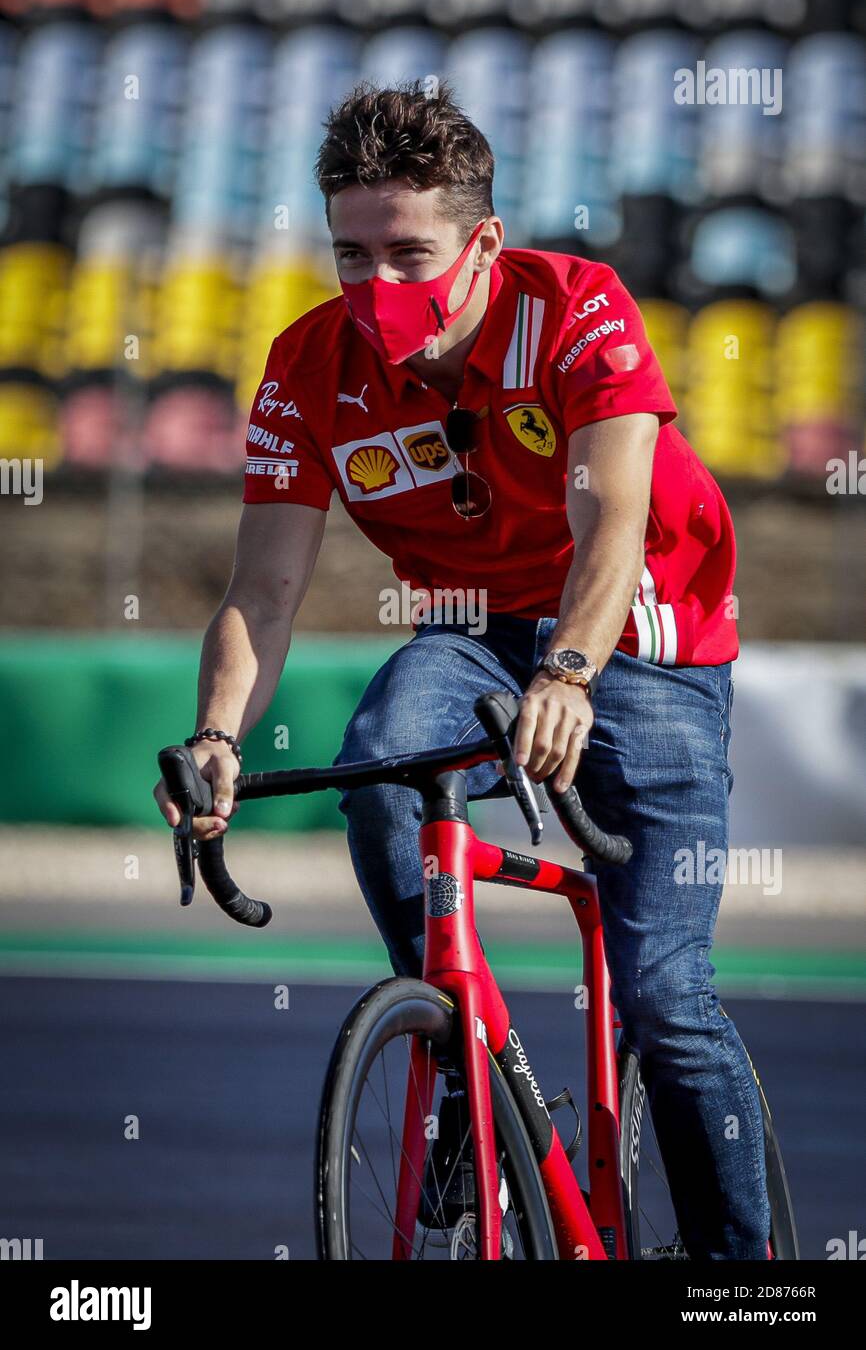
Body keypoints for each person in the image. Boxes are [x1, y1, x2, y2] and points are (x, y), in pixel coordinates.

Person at [154, 81, 769, 1260]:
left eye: (407, 255)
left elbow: (613, 530)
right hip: (478, 634)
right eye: (349, 254)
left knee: (662, 1002)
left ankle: (747, 1280)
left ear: (482, 243)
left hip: (644, 638)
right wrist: (217, 737)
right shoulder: (304, 363)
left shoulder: (578, 306)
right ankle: (453, 1055)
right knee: (379, 752)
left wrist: (573, 674)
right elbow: (263, 591)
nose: (376, 289)